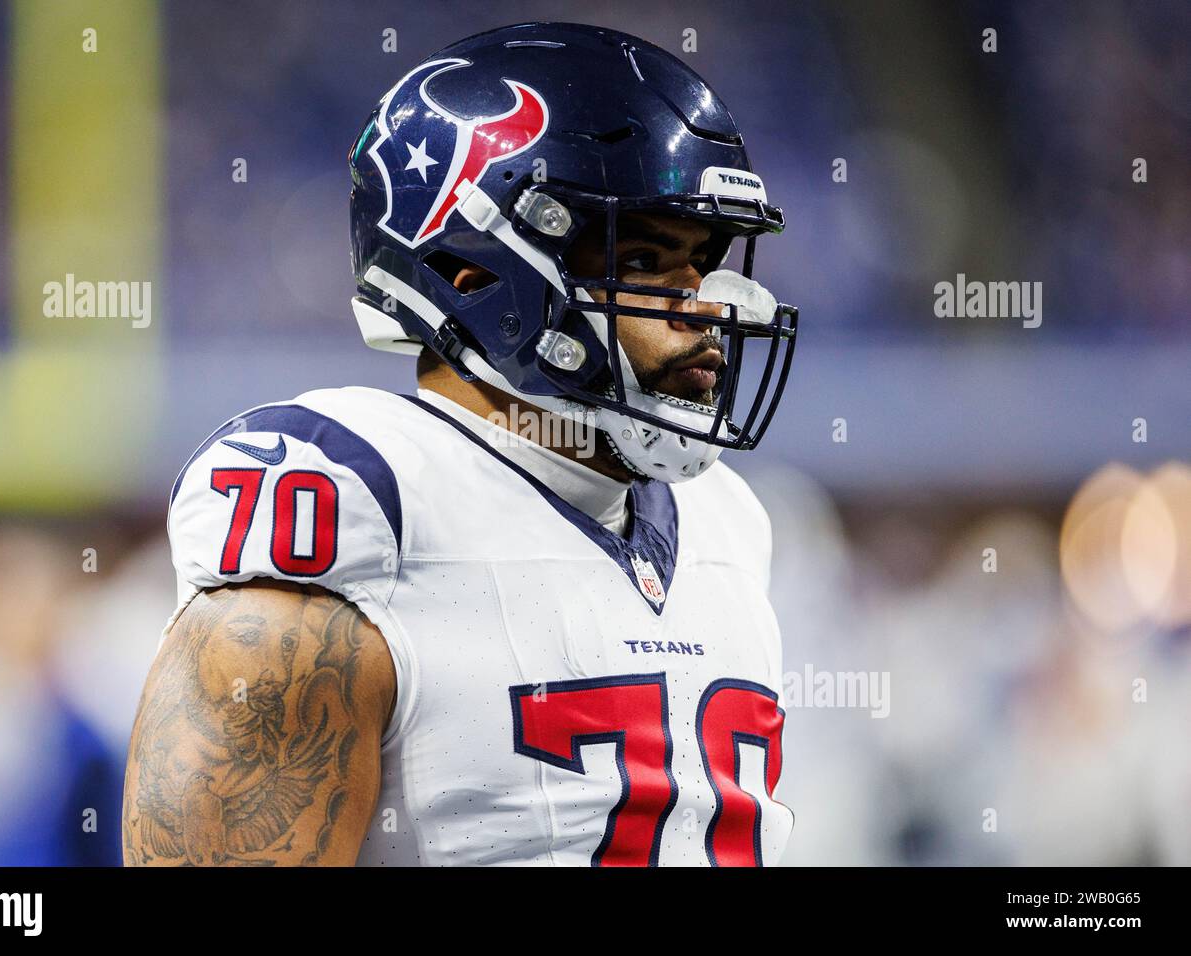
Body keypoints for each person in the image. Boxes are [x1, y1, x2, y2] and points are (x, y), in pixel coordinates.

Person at [123, 21, 799, 867]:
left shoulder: (729, 522)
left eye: (702, 263)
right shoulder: (361, 502)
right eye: (650, 258)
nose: (706, 307)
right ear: (479, 276)